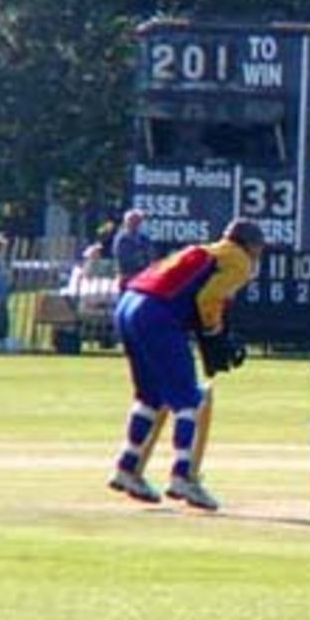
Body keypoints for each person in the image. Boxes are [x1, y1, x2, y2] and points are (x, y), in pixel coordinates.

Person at [107, 218, 266, 510]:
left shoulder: (201, 250)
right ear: (252, 246)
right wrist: (214, 332)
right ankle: (183, 477)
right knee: (189, 399)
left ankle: (127, 467)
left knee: (149, 396)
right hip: (157, 313)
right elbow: (209, 298)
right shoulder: (239, 260)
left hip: (129, 304)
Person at [111, 208, 154, 289]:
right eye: (133, 220)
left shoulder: (144, 238)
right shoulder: (122, 238)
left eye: (138, 221)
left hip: (143, 276)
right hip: (127, 276)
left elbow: (150, 254)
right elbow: (122, 257)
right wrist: (140, 259)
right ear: (126, 222)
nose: (136, 223)